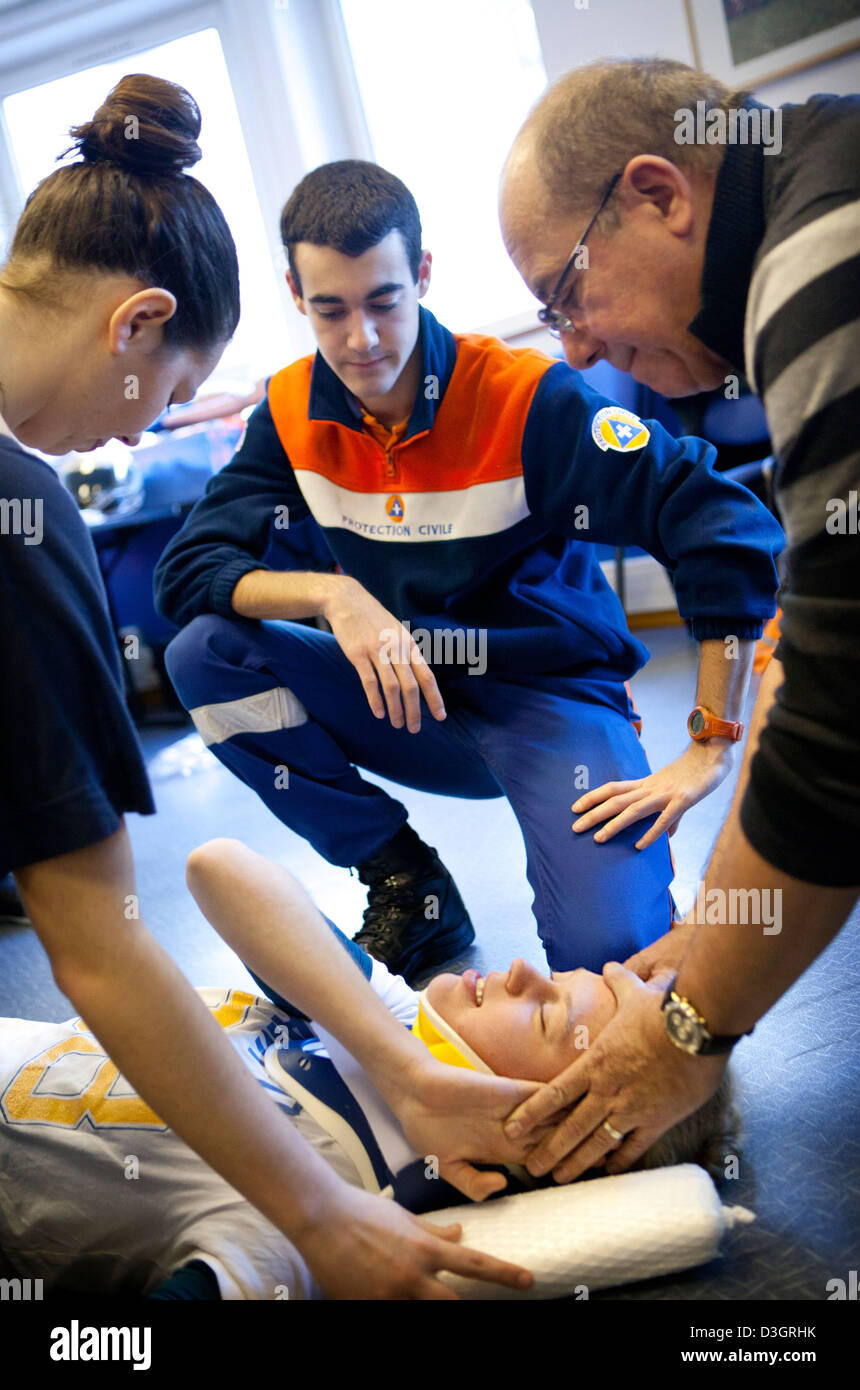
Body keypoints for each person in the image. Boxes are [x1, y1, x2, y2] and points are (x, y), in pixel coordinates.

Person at [0, 73, 538, 1301]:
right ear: (136, 321)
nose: (143, 435)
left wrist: (391, 1066)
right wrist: (316, 1215)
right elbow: (93, 942)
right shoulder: (22, 515)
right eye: (172, 393)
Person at [153, 158, 784, 983]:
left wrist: (713, 740)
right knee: (206, 654)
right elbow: (188, 570)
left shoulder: (527, 397)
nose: (362, 340)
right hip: (406, 696)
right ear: (297, 296)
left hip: (553, 704)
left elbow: (720, 518)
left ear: (420, 275)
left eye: (383, 301)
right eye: (332, 310)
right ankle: (405, 883)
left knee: (608, 976)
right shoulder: (290, 408)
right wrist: (332, 593)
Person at [497, 57, 860, 1180]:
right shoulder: (814, 188)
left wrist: (690, 1029)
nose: (572, 346)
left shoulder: (820, 271)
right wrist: (712, 931)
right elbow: (807, 649)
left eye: (567, 295)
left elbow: (843, 730)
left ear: (659, 195)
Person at [0, 837, 737, 1300]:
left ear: (545, 1133)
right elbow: (220, 869)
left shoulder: (319, 1219)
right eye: (555, 974)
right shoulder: (387, 1026)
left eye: (546, 1015)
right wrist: (405, 1072)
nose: (518, 970)